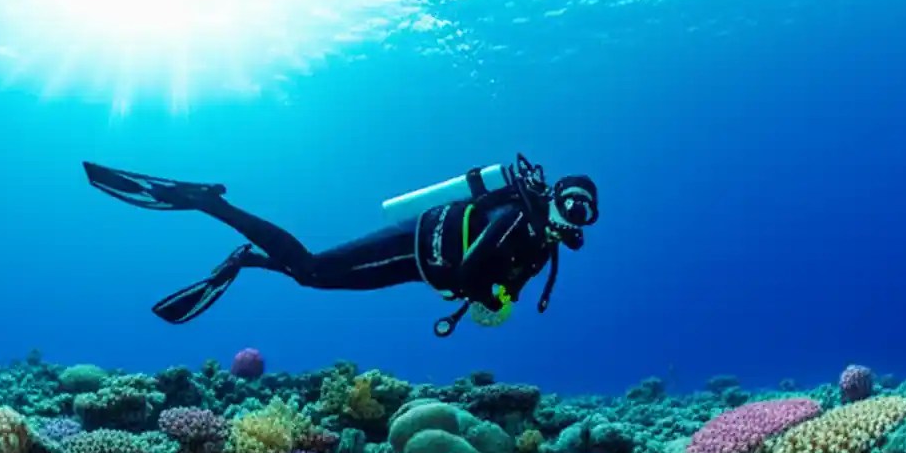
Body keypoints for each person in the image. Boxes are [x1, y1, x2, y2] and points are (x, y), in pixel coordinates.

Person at [82, 153, 599, 337]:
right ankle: (210, 204)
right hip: (415, 245)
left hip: (420, 262)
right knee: (310, 268)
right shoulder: (516, 220)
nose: (573, 216)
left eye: (585, 213)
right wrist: (488, 298)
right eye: (570, 202)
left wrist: (497, 298)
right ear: (553, 197)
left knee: (313, 274)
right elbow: (471, 279)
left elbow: (493, 283)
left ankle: (250, 257)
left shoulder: (540, 246)